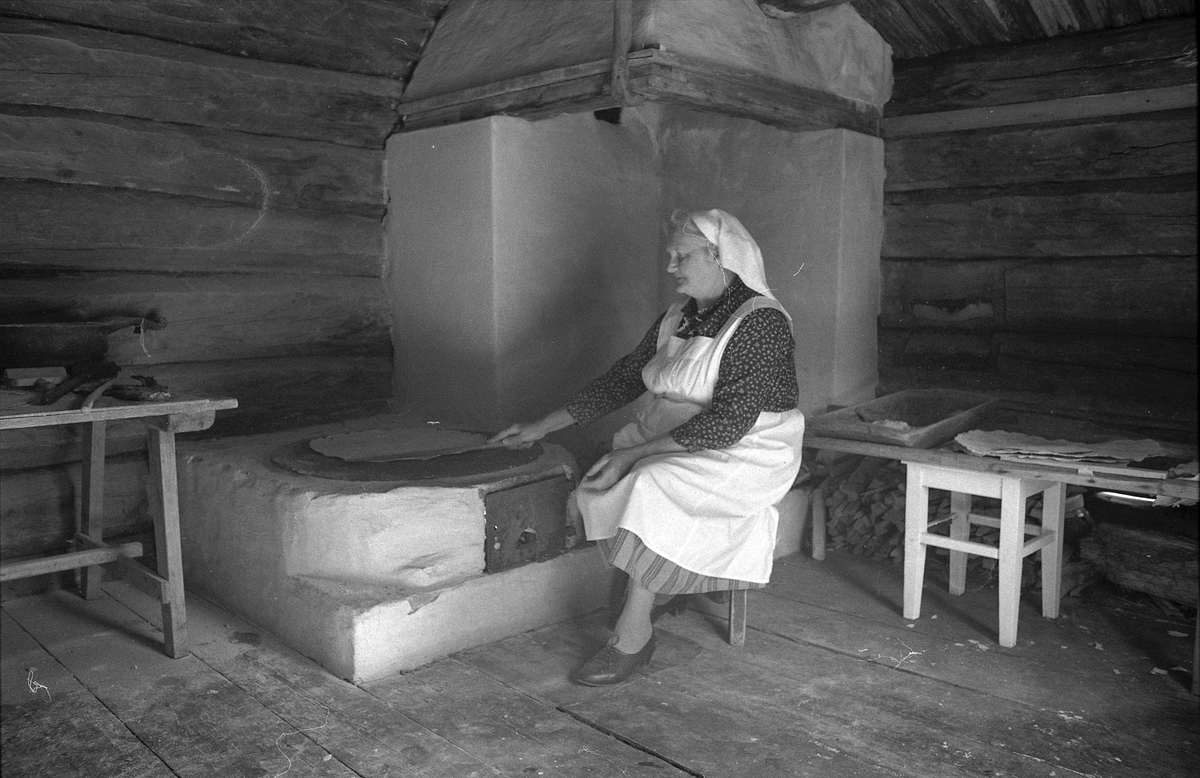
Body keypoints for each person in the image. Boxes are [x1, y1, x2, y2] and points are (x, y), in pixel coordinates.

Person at [489, 208, 805, 686]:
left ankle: (633, 637)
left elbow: (729, 423)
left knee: (648, 483)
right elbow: (621, 381)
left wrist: (631, 456)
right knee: (600, 471)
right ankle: (660, 580)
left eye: (682, 256)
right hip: (673, 436)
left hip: (746, 450)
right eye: (671, 256)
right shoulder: (679, 316)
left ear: (720, 257)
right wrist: (540, 428)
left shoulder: (760, 323)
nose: (671, 266)